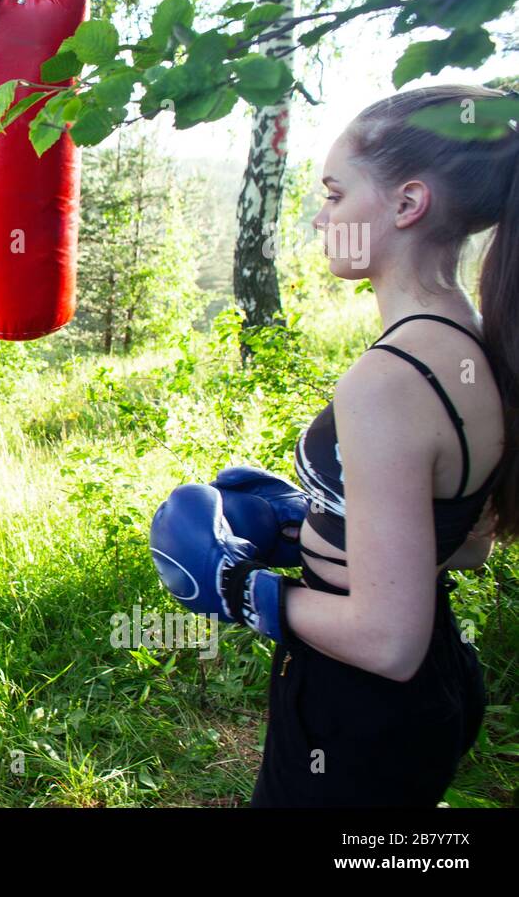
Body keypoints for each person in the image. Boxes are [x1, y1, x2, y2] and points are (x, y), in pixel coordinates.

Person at [152, 84, 517, 806]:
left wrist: (238, 591)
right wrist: (312, 526)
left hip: (360, 710)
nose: (320, 218)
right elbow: (467, 542)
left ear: (407, 205)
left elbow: (387, 639)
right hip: (427, 693)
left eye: (334, 194)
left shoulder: (389, 381)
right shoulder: (474, 342)